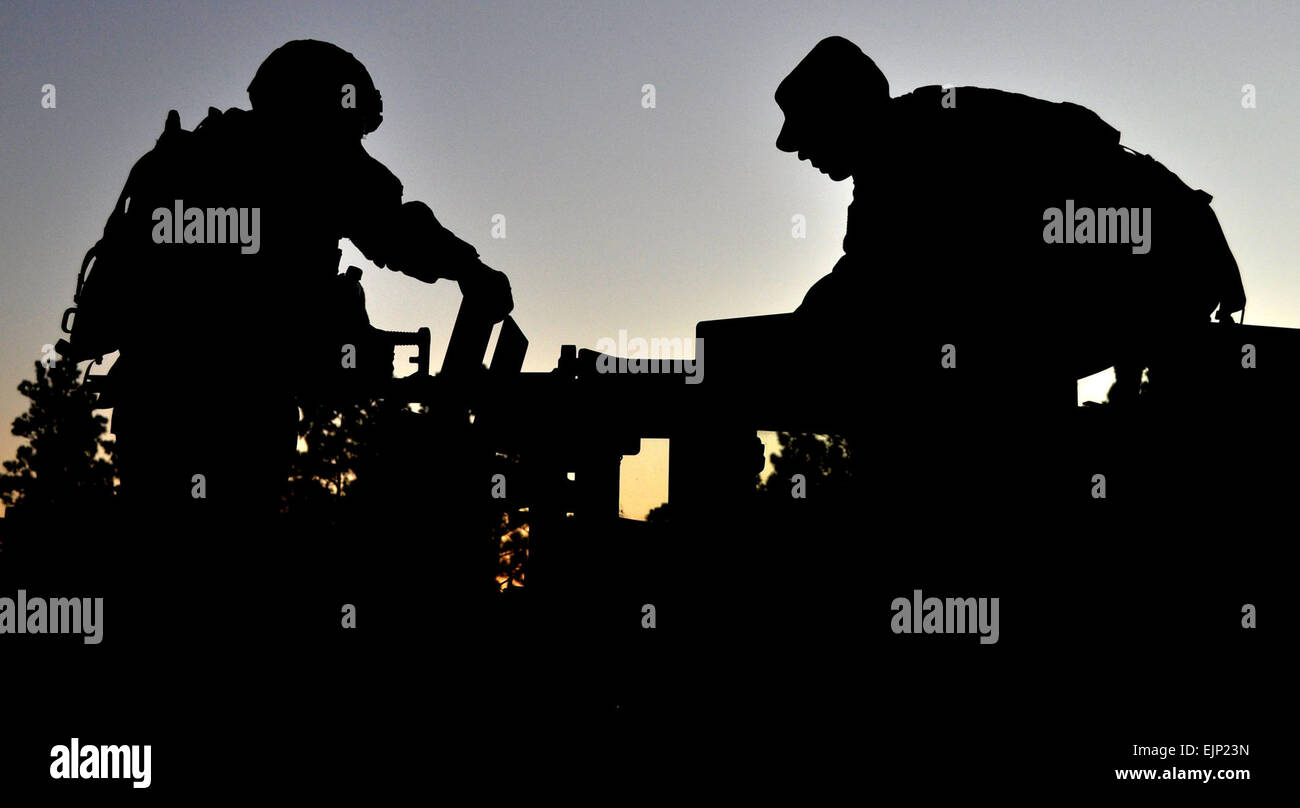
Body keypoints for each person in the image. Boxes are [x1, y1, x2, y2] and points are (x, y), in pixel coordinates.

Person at [63, 40, 514, 534]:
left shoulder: (209, 151)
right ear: (317, 106)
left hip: (153, 403)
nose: (354, 143)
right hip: (235, 412)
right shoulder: (308, 158)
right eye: (350, 125)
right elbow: (393, 229)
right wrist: (470, 269)